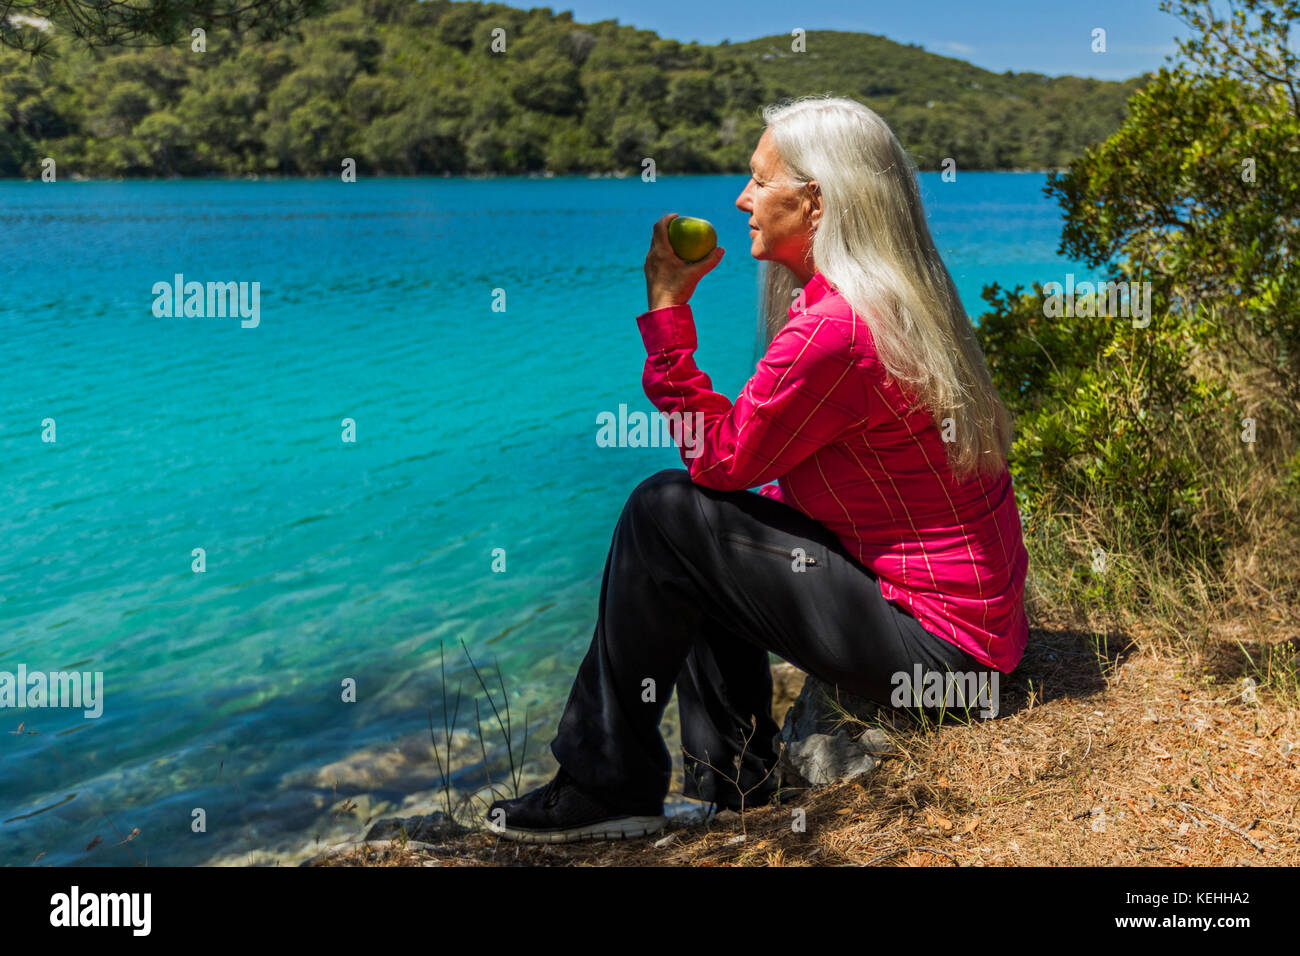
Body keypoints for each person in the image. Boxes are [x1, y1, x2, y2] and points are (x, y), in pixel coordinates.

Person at [487, 95, 1029, 844]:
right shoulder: (899, 294)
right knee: (708, 526)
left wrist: (668, 314)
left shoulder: (834, 331)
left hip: (942, 656)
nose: (741, 199)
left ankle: (604, 785)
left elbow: (717, 461)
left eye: (759, 181)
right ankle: (734, 789)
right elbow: (756, 481)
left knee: (665, 512)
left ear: (815, 202)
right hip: (979, 645)